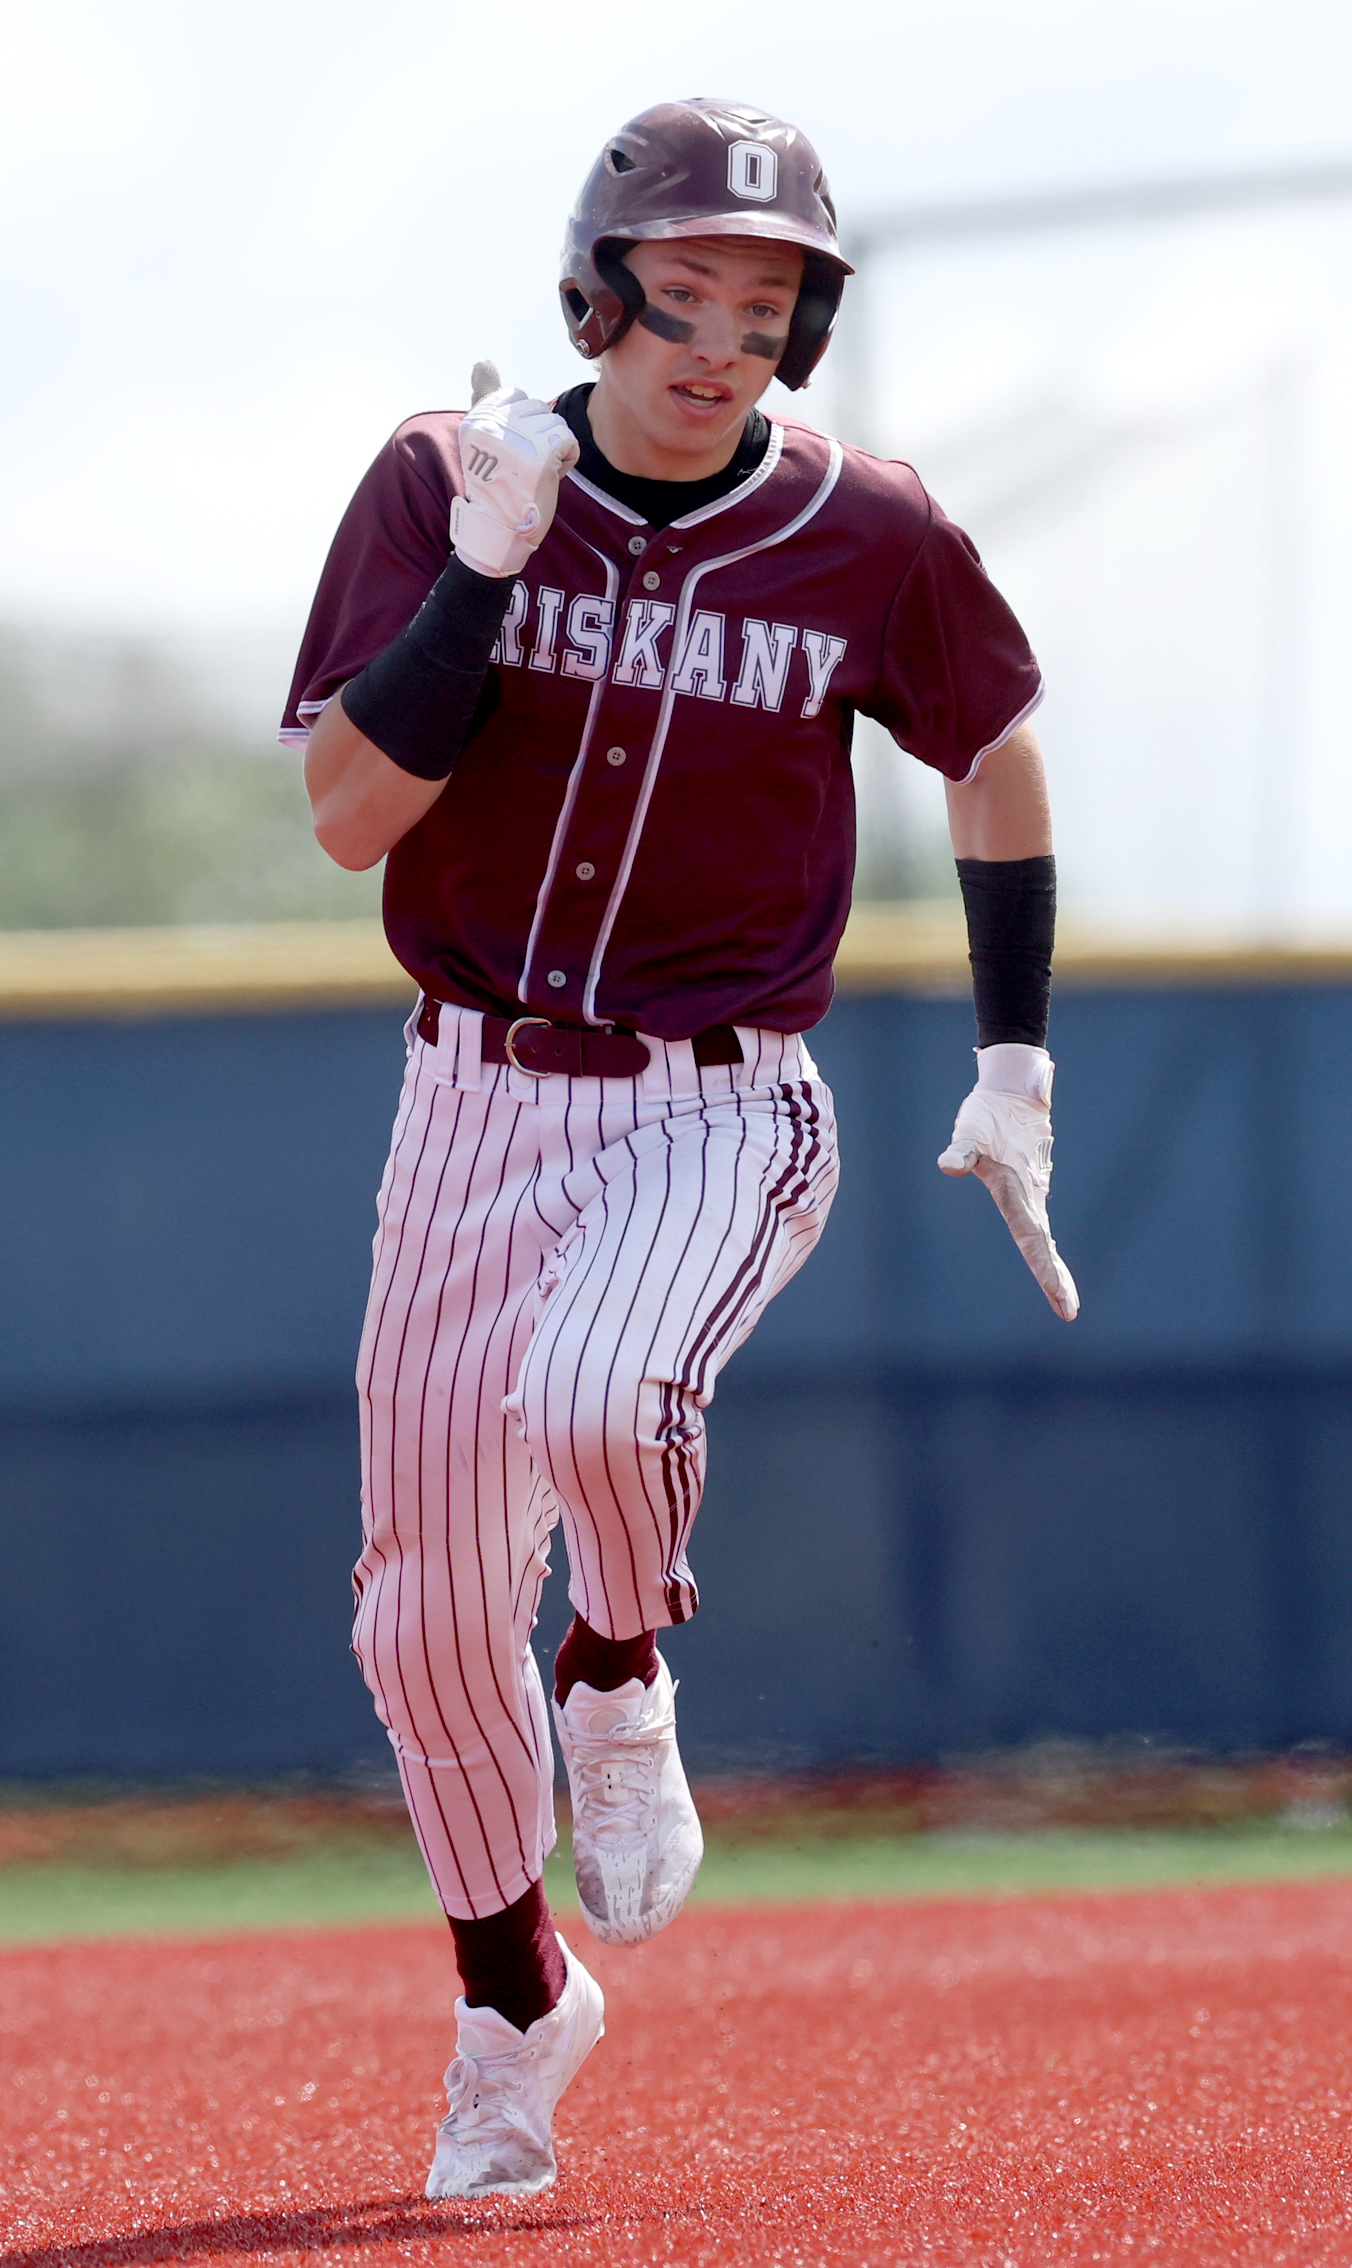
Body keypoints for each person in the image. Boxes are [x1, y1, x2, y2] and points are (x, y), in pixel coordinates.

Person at [281, 94, 1077, 2202]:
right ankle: (510, 2003)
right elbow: (351, 814)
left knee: (598, 1394)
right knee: (420, 1617)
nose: (718, 338)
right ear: (596, 290)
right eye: (684, 290)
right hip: (466, 1101)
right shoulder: (443, 482)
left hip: (718, 1103)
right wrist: (478, 575)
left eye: (766, 300)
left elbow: (991, 747)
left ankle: (620, 1665)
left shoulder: (863, 528)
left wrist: (1018, 1063)